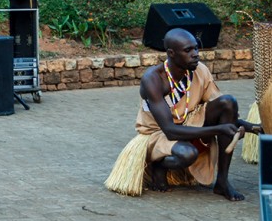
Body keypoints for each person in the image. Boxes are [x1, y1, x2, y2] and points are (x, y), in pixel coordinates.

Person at [106, 28, 260, 200]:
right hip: (158, 133)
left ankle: (222, 182)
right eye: (188, 50)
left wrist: (253, 127)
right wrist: (219, 130)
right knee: (188, 153)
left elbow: (224, 116)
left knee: (228, 102)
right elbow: (170, 131)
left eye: (196, 48)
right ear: (171, 53)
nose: (195, 54)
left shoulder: (199, 70)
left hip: (190, 122)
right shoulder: (153, 79)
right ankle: (159, 166)